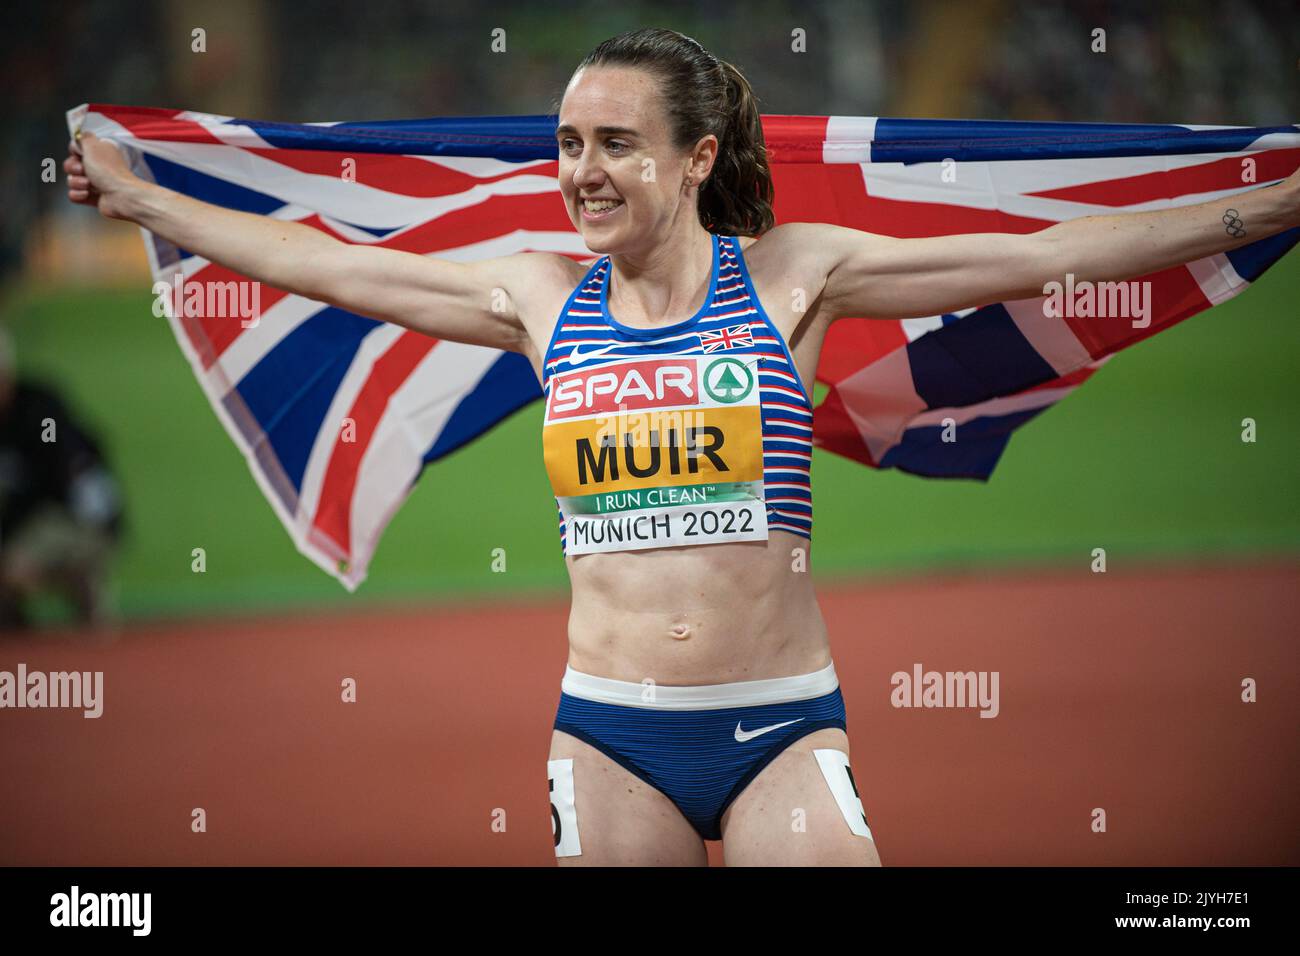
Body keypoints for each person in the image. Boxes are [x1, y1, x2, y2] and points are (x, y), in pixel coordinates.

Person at [65, 28, 1298, 865]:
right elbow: (324, 262)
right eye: (567, 146)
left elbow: (1049, 253)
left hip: (779, 720)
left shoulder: (797, 277)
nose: (581, 173)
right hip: (608, 728)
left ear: (697, 157)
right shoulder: (536, 295)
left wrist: (1275, 202)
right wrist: (146, 198)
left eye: (614, 144)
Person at [0, 325, 123, 631]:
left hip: (78, 518)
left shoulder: (40, 412)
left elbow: (64, 483)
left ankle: (83, 580)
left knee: (13, 570)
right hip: (34, 518)